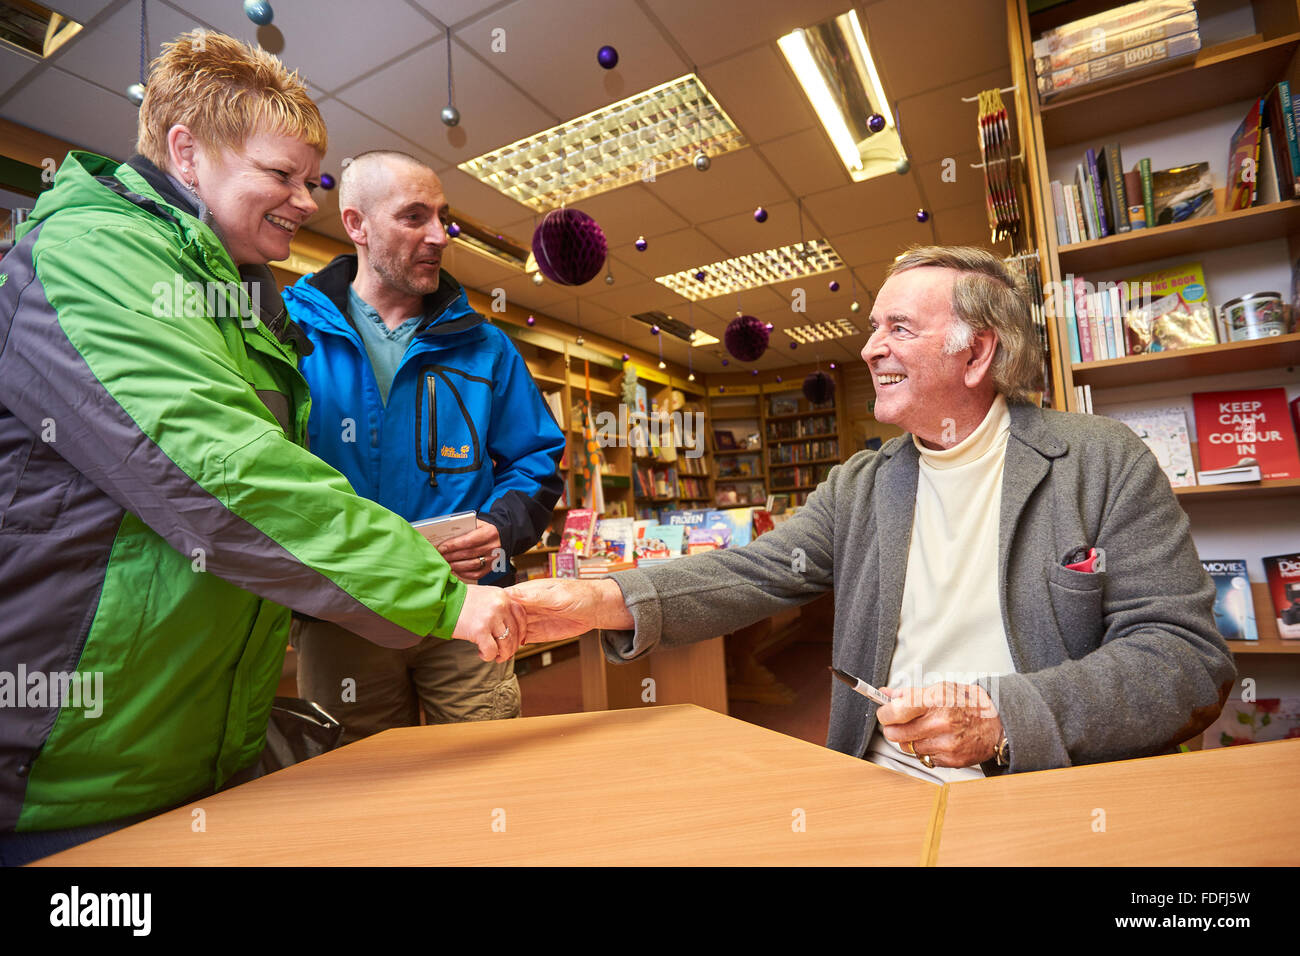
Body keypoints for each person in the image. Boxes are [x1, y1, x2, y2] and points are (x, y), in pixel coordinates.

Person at [0, 31, 521, 865]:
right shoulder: (92, 253)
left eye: (309, 179)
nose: (304, 201)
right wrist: (437, 592)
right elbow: (215, 468)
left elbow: (236, 513)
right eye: (279, 176)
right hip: (75, 771)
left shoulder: (242, 296)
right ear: (186, 152)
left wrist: (405, 544)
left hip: (192, 748)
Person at [508, 245, 1236, 782]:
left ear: (977, 352)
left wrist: (1003, 719)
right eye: (872, 327)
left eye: (897, 328)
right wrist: (600, 598)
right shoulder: (861, 483)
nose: (867, 348)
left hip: (1046, 782)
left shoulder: (1103, 461)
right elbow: (752, 570)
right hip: (878, 779)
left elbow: (1185, 660)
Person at [282, 151, 565, 742]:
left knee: (487, 771)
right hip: (344, 612)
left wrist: (501, 526)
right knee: (359, 785)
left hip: (467, 607)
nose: (438, 236)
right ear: (357, 224)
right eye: (414, 217)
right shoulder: (289, 334)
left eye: (442, 218)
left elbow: (535, 459)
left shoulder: (485, 346)